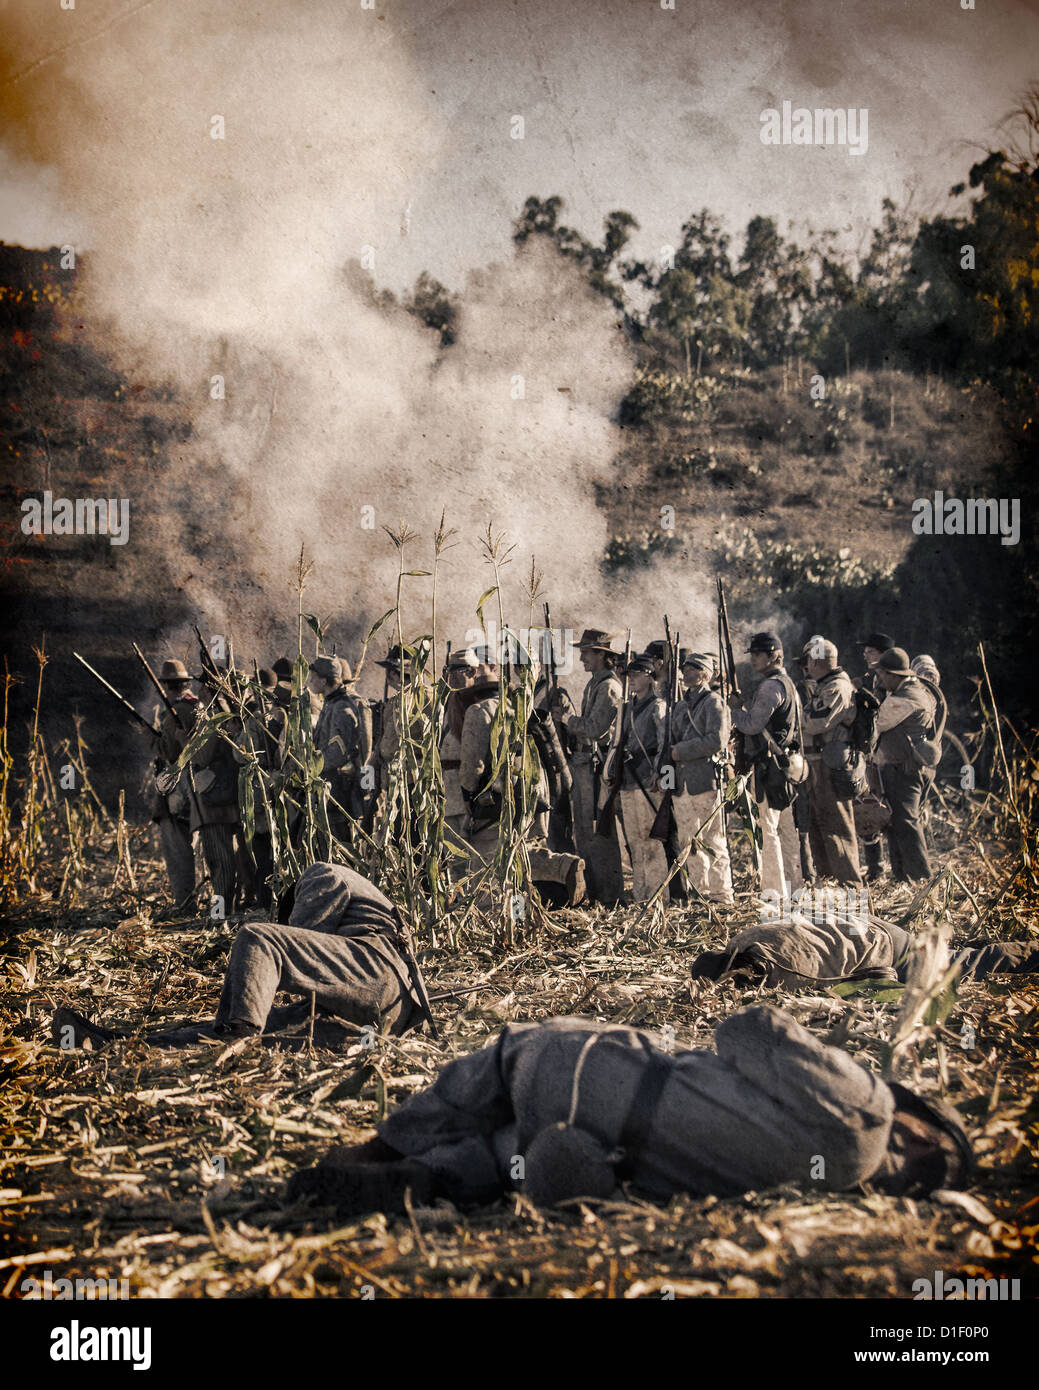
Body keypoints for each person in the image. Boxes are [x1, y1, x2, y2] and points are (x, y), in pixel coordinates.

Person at [285, 1005, 971, 1216]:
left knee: (501, 1063)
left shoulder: (869, 1110)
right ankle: (435, 1184)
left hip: (602, 1078)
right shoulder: (826, 1195)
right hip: (600, 1160)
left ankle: (381, 1152)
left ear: (914, 1126)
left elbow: (749, 1032)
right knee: (508, 1155)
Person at [51, 862, 423, 1051]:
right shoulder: (356, 911)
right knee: (267, 1027)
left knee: (257, 938)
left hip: (376, 970)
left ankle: (236, 1041)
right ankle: (128, 1045)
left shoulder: (321, 873)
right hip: (386, 1012)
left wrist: (261, 973)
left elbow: (304, 938)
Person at [690, 910, 1039, 990]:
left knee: (969, 966)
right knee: (958, 956)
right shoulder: (743, 939)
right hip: (873, 928)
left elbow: (846, 982)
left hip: (887, 949)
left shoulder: (782, 971)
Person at [728, 633, 804, 899]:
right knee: (786, 831)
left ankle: (774, 892)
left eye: (758, 654)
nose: (753, 659)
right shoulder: (787, 684)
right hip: (784, 766)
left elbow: (752, 725)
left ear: (774, 655)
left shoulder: (771, 686)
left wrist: (736, 710)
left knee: (769, 831)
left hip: (769, 768)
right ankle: (794, 888)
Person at [553, 629, 623, 906]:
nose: (581, 658)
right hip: (584, 765)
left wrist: (567, 718)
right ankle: (595, 892)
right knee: (585, 832)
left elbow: (595, 728)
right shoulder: (595, 684)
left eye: (587, 652)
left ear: (602, 655)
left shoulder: (608, 687)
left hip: (596, 768)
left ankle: (608, 896)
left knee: (597, 833)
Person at [668, 652, 734, 906]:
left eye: (692, 668)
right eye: (685, 668)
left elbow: (717, 740)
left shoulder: (714, 703)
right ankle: (699, 892)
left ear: (705, 674)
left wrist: (681, 751)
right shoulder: (681, 705)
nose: (686, 672)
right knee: (689, 841)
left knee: (713, 840)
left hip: (705, 780)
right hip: (684, 782)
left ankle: (721, 894)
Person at [870, 647, 937, 883]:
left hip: (904, 770)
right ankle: (902, 879)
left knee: (907, 823)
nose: (880, 679)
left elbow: (877, 723)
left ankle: (922, 881)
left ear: (895, 674)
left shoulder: (904, 698)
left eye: (883, 675)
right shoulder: (911, 691)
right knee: (897, 823)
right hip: (899, 768)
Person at [801, 636, 862, 886]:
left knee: (837, 826)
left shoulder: (837, 687)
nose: (806, 666)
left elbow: (817, 722)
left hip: (831, 764)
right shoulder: (825, 686)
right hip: (818, 762)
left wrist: (800, 717)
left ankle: (850, 885)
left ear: (816, 661)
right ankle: (828, 883)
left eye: (808, 661)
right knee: (820, 826)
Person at [613, 654, 668, 903]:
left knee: (651, 840)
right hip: (628, 778)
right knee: (634, 841)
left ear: (649, 676)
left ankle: (657, 894)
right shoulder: (627, 708)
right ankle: (640, 893)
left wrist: (658, 773)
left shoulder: (658, 706)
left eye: (636, 675)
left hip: (647, 779)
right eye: (629, 676)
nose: (631, 680)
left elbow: (663, 743)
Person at [149, 659, 199, 907]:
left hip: (178, 787)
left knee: (178, 850)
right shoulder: (198, 706)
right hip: (199, 788)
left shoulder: (176, 712)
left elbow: (168, 753)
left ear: (167, 685)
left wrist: (151, 738)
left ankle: (185, 902)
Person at [309, 655, 370, 842]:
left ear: (324, 680)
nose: (309, 682)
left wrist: (312, 766)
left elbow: (337, 753)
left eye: (313, 678)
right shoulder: (331, 704)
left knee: (337, 846)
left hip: (337, 791)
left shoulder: (342, 708)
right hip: (329, 787)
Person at [459, 647, 503, 867]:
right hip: (515, 795)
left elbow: (472, 763)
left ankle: (489, 903)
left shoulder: (477, 711)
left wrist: (466, 795)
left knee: (484, 864)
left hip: (489, 798)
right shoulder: (512, 709)